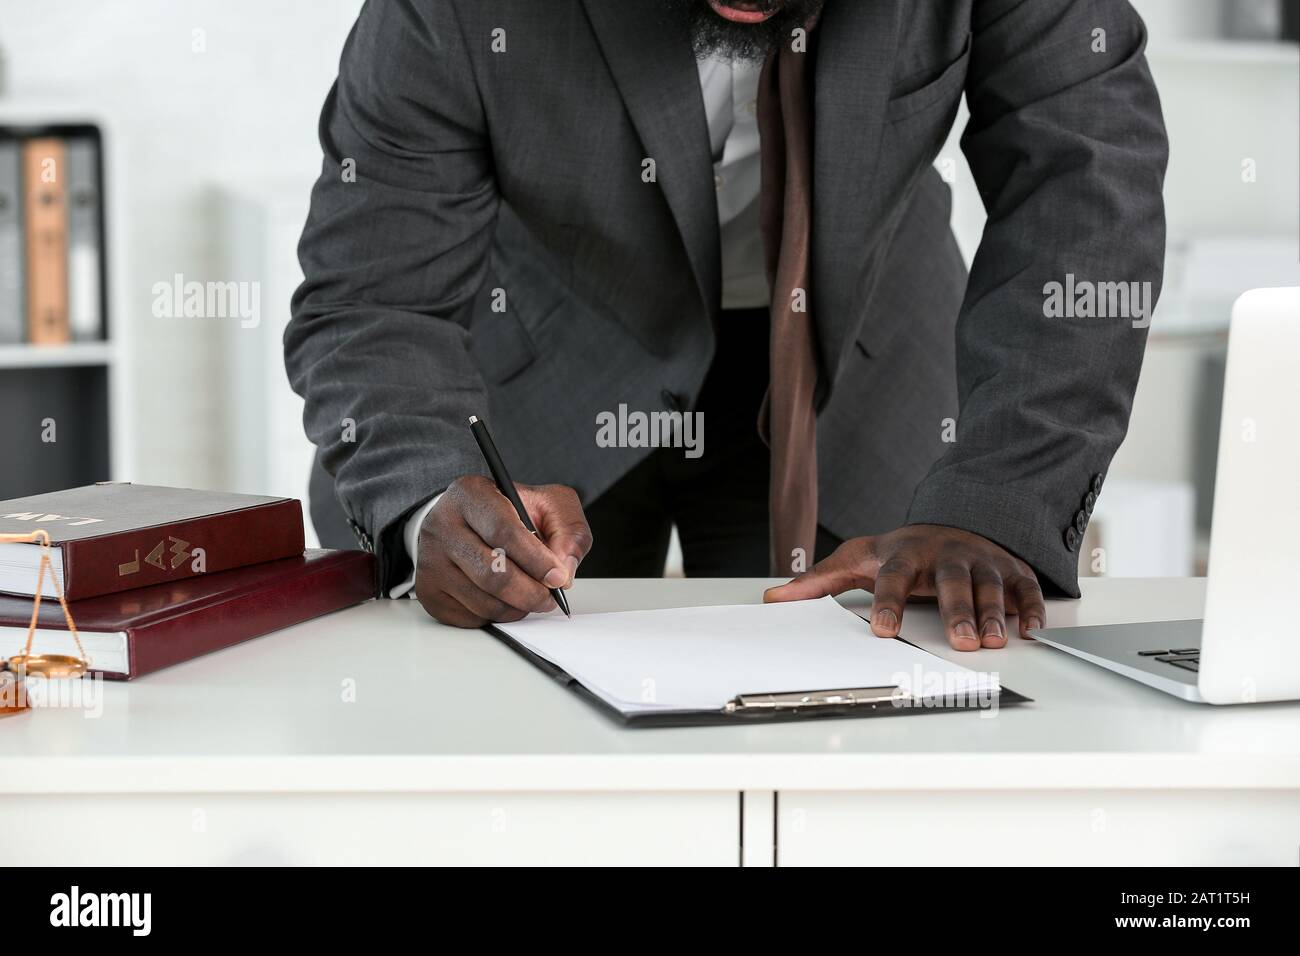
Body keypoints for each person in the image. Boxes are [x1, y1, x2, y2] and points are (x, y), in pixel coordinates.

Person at [286, 0, 1168, 649]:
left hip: (858, 372)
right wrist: (427, 496)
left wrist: (996, 505)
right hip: (552, 363)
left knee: (862, 712)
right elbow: (374, 291)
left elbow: (1086, 195)